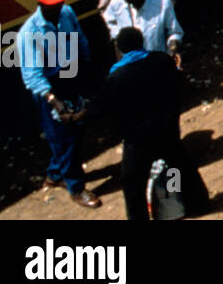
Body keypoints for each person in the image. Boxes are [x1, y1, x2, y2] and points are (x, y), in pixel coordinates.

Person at [88, 26, 209, 220]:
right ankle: (197, 205)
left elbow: (100, 108)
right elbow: (178, 84)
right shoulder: (161, 60)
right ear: (141, 42)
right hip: (166, 130)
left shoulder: (116, 77)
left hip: (138, 140)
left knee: (133, 183)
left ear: (120, 49)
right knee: (180, 167)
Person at [17, 0, 99, 208]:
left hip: (71, 75)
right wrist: (54, 101)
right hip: (49, 87)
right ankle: (76, 187)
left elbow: (79, 38)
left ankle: (55, 174)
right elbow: (33, 75)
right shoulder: (29, 33)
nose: (58, 7)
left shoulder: (67, 13)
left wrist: (86, 64)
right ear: (40, 4)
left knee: (79, 127)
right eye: (53, 4)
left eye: (60, 1)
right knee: (63, 136)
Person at [102, 0, 183, 58]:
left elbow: (174, 32)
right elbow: (114, 35)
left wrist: (172, 50)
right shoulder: (115, 4)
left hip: (158, 60)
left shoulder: (163, 4)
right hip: (132, 64)